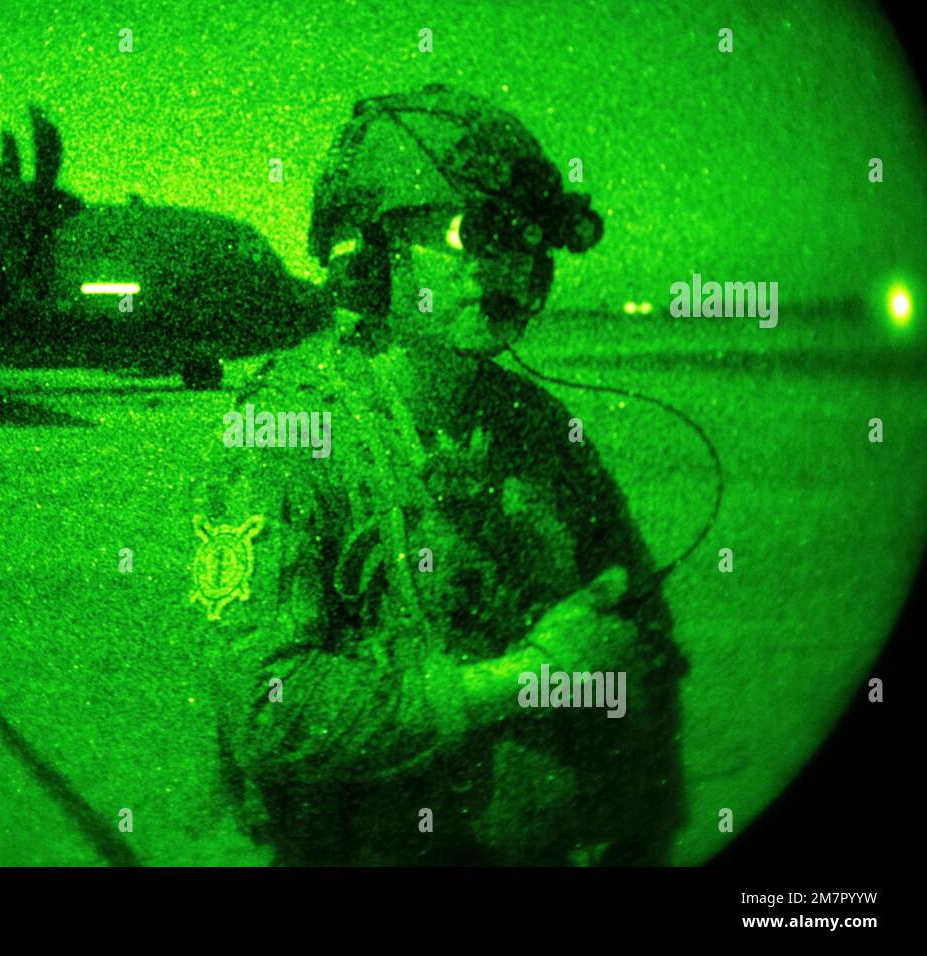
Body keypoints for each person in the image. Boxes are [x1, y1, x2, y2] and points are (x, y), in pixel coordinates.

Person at [190, 84, 687, 865]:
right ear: (373, 252)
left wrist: (642, 827)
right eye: (476, 233)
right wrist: (524, 679)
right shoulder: (286, 432)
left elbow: (642, 644)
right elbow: (269, 708)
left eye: (530, 242)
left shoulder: (543, 432)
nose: (510, 269)